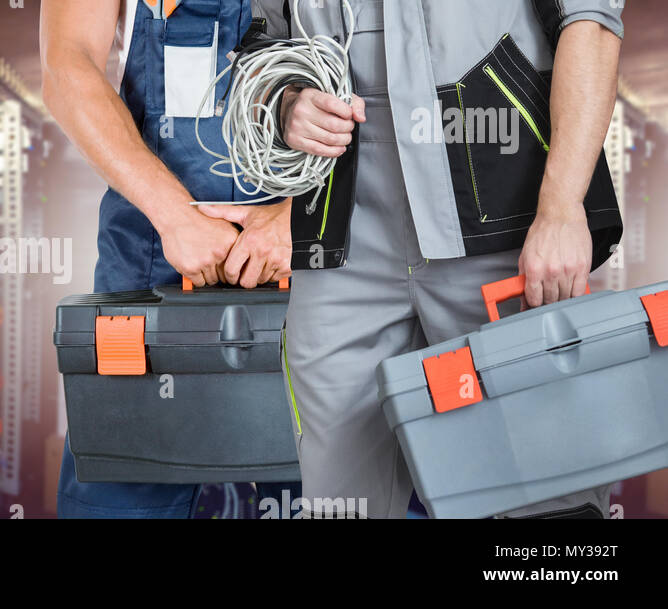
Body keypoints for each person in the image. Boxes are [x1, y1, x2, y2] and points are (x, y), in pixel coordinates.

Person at [206, 0, 623, 518]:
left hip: (504, 226)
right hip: (343, 243)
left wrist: (561, 208)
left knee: (545, 494)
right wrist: (286, 102)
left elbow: (592, 22)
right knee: (341, 502)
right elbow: (259, 47)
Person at [40, 0, 300, 518]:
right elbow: (66, 65)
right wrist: (173, 215)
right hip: (149, 259)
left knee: (325, 492)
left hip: (310, 265)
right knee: (121, 491)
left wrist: (305, 220)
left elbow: (384, 77)